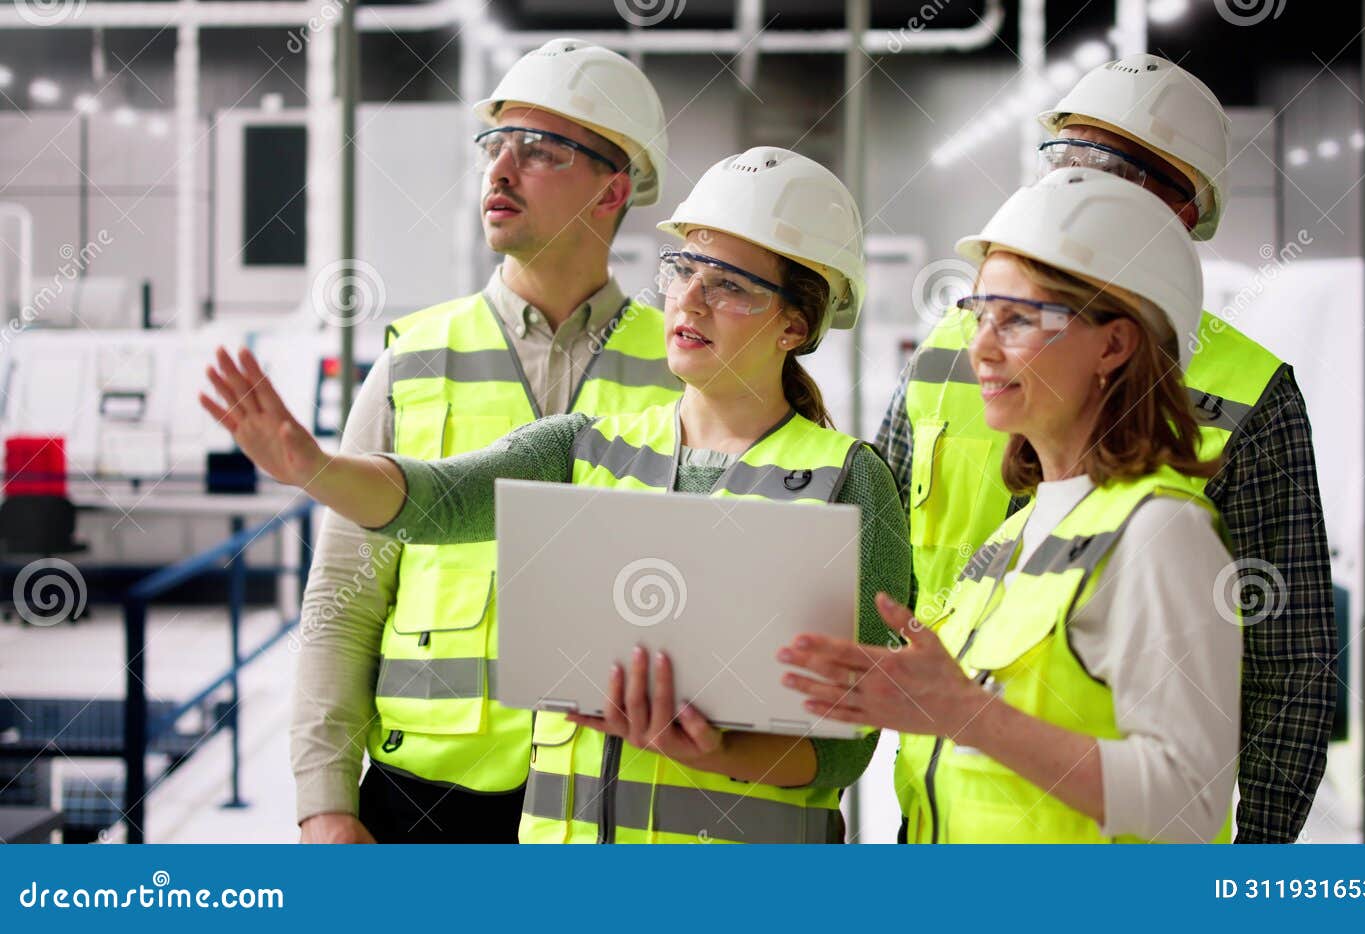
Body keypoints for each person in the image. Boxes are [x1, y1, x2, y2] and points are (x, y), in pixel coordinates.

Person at [204, 147, 910, 845]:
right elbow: (438, 500)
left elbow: (848, 741)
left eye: (729, 285)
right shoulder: (583, 447)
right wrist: (315, 467)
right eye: (683, 270)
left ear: (794, 324)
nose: (689, 299)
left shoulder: (848, 482)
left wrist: (716, 753)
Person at [877, 53, 1336, 842]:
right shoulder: (953, 352)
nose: (1072, 183)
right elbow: (864, 562)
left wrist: (1254, 875)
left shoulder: (1247, 397)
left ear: (1180, 211)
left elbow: (1287, 664)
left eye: (1109, 167)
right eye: (1061, 158)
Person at [292, 38, 681, 844]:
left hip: (617, 798)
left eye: (538, 151)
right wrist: (325, 804)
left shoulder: (682, 370)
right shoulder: (416, 358)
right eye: (492, 147)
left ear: (613, 190)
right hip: (426, 801)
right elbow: (342, 598)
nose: (499, 172)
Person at [780, 167, 1239, 843]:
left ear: (1114, 344)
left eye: (1018, 320)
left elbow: (1187, 804)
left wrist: (966, 713)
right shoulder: (1019, 534)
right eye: (979, 315)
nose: (980, 350)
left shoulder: (1159, 533)